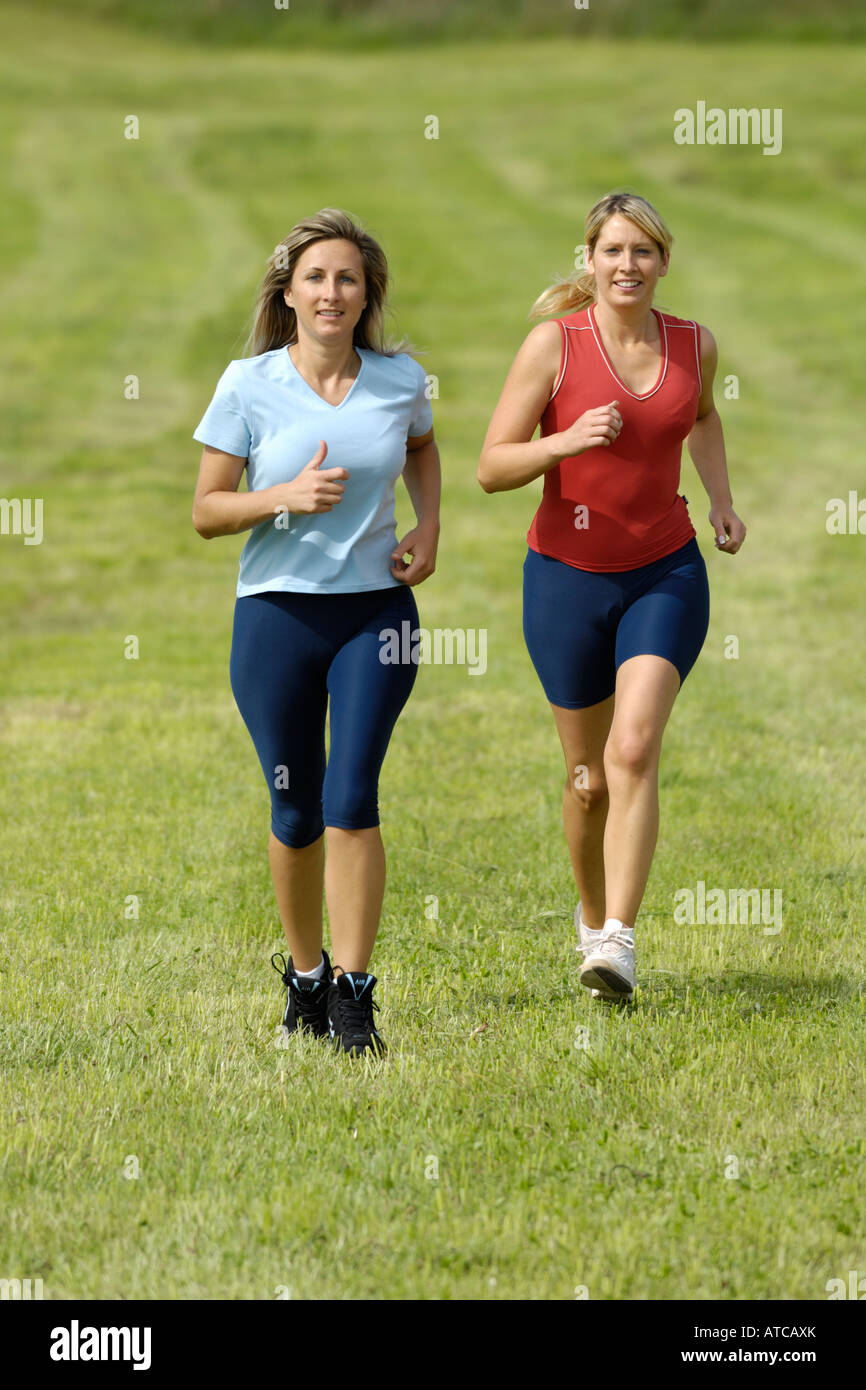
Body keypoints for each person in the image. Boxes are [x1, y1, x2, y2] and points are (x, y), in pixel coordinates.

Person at [478, 191, 746, 1001]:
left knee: (634, 748)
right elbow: (493, 466)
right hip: (564, 581)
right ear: (588, 260)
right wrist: (566, 439)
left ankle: (620, 941)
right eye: (613, 251)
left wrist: (722, 501)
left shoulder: (694, 346)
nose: (627, 266)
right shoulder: (552, 346)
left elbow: (700, 420)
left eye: (644, 252)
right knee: (588, 776)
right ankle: (591, 918)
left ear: (664, 262)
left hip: (665, 571)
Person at [191, 208, 440, 1055]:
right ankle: (304, 974)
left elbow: (424, 447)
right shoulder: (247, 383)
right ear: (288, 293)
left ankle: (355, 993)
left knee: (351, 797)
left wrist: (429, 527)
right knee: (296, 809)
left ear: (366, 293)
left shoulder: (401, 380)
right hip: (275, 617)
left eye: (348, 278)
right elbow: (206, 511)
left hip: (376, 616)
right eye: (316, 278)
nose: (332, 292)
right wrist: (281, 497)